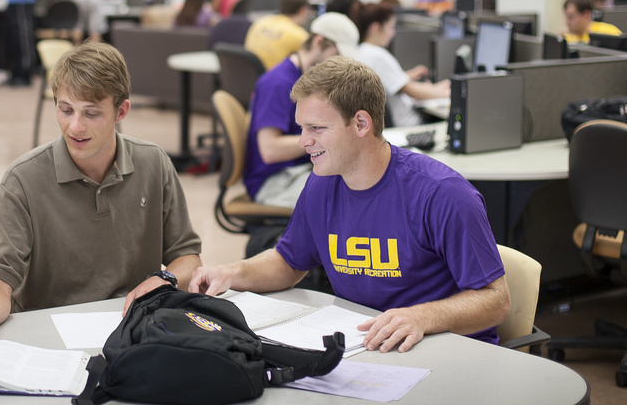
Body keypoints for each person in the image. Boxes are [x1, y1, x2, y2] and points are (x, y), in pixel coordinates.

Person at [190, 57, 510, 353]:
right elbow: (288, 262)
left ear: (360, 124)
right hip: (369, 347)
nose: (303, 141)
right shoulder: (323, 182)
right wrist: (230, 272)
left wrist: (422, 317)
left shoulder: (442, 194)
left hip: (446, 349)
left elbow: (495, 301)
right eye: (301, 127)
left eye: (317, 128)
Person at [0, 42, 202, 339]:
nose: (75, 127)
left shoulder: (154, 163)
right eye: (65, 109)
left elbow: (187, 255)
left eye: (91, 113)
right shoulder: (22, 180)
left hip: (131, 331)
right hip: (46, 334)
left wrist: (167, 279)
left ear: (121, 111)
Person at [244, 12, 359, 209]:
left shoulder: (308, 81)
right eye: (336, 55)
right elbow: (270, 149)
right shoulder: (278, 84)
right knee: (350, 200)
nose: (339, 64)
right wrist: (328, 137)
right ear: (319, 42)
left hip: (299, 169)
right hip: (274, 181)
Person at [355, 2, 450, 127]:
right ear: (376, 28)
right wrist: (451, 93)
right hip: (409, 124)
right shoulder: (378, 55)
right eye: (390, 28)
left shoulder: (362, 50)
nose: (393, 33)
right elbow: (414, 92)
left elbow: (391, 83)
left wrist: (408, 76)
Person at [244, 0, 311, 70]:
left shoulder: (260, 22)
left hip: (248, 78)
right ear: (303, 9)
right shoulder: (299, 35)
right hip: (274, 81)